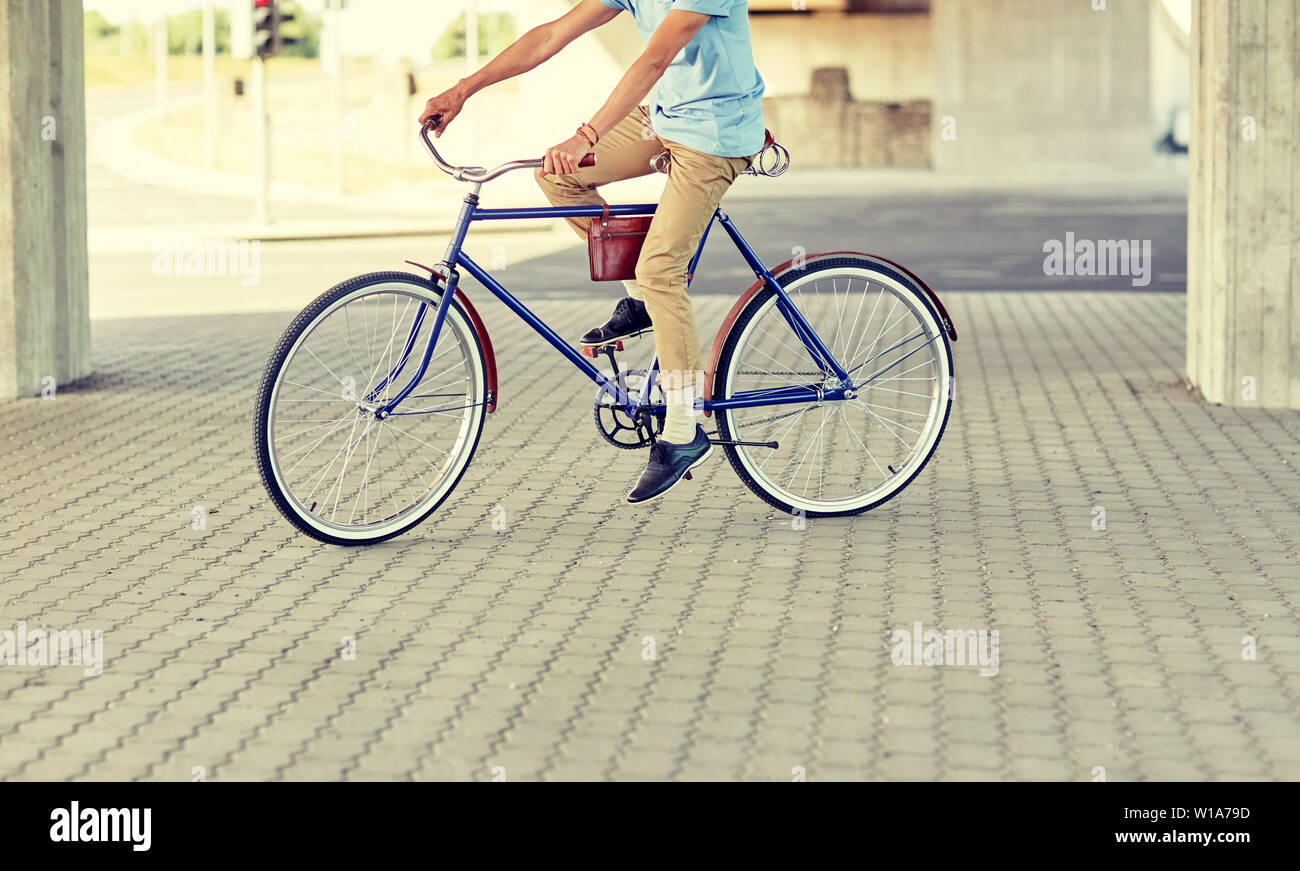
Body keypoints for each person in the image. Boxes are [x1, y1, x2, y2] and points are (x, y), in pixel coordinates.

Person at [419, 0, 765, 504]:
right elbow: (551, 35)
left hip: (715, 134)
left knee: (661, 269)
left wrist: (587, 134)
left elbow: (654, 59)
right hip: (665, 121)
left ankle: (685, 427)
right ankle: (643, 303)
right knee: (556, 175)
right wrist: (463, 89)